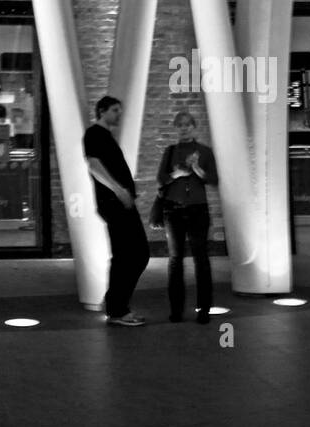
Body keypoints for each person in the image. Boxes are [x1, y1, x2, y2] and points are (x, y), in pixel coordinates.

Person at [84, 96, 150, 326]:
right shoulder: (94, 134)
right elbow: (94, 166)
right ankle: (117, 308)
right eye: (114, 110)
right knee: (137, 253)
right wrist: (119, 190)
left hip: (119, 203)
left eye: (120, 110)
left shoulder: (105, 136)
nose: (119, 114)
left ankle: (115, 305)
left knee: (125, 255)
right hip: (115, 204)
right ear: (101, 111)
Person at [156, 109, 218, 323]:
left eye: (187, 124)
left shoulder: (205, 151)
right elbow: (161, 178)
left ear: (194, 127)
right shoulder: (171, 151)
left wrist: (196, 168)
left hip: (198, 209)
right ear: (176, 128)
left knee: (201, 258)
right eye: (180, 125)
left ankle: (204, 309)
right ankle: (176, 309)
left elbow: (213, 179)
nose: (183, 128)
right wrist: (177, 173)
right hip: (173, 210)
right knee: (175, 260)